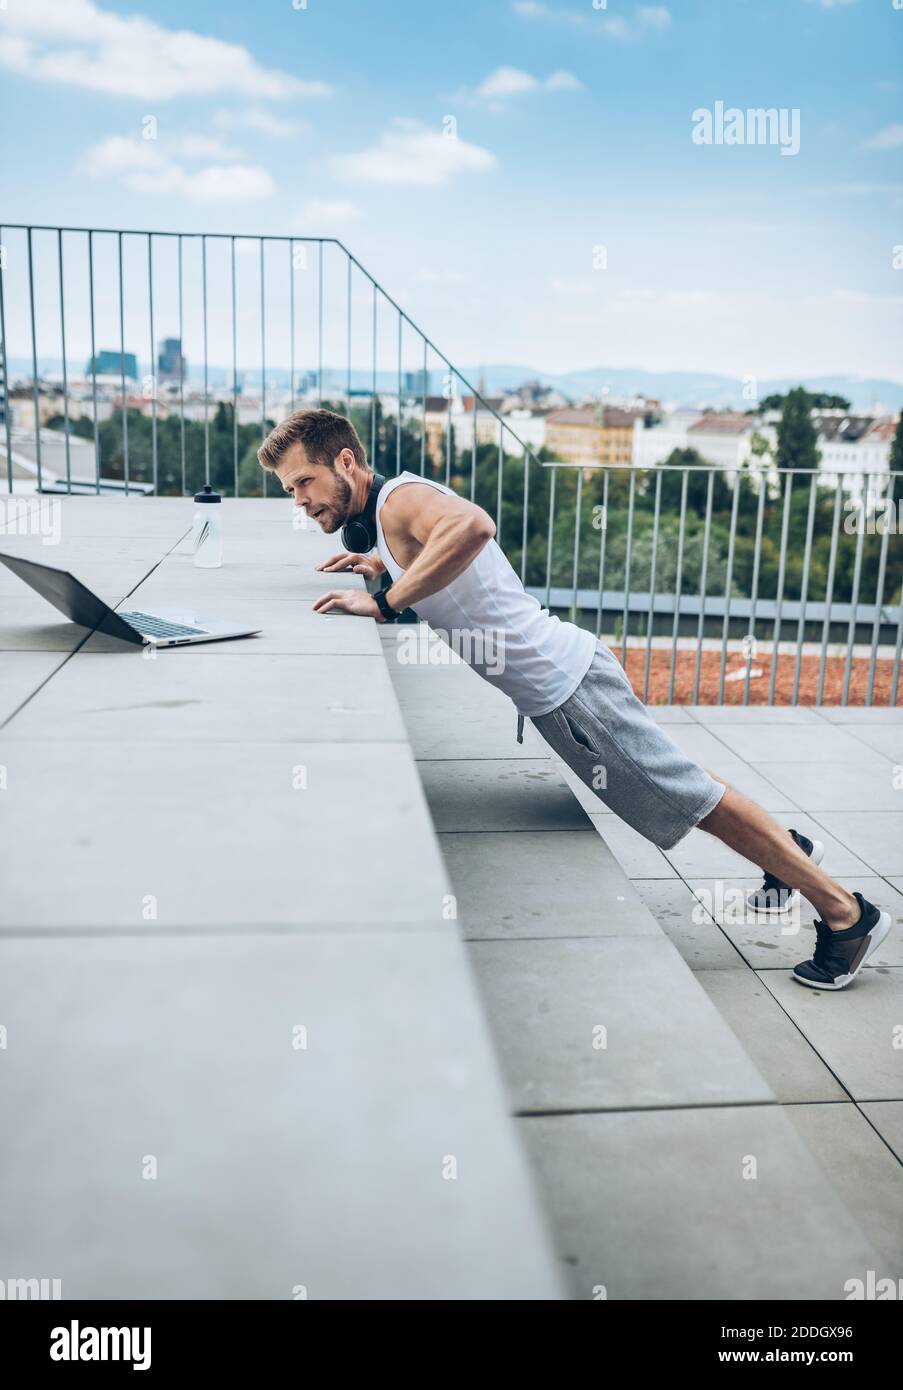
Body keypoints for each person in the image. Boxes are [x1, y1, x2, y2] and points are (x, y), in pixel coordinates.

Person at [258, 408, 892, 992]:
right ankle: (785, 851)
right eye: (290, 490)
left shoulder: (401, 501)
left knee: (691, 798)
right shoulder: (393, 515)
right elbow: (447, 572)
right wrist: (381, 568)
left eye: (304, 481)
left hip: (567, 689)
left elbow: (474, 527)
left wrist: (386, 599)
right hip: (565, 682)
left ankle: (846, 914)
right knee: (684, 782)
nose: (301, 500)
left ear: (345, 461)